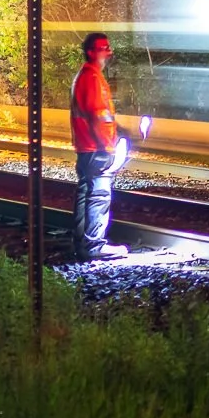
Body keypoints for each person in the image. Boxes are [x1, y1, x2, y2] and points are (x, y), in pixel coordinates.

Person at [70, 31, 131, 260]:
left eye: (108, 46)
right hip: (97, 148)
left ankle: (83, 243)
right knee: (99, 195)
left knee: (85, 193)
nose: (109, 51)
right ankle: (94, 245)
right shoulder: (93, 78)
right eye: (103, 47)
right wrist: (108, 148)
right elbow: (99, 116)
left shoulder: (85, 76)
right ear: (91, 52)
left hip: (87, 147)